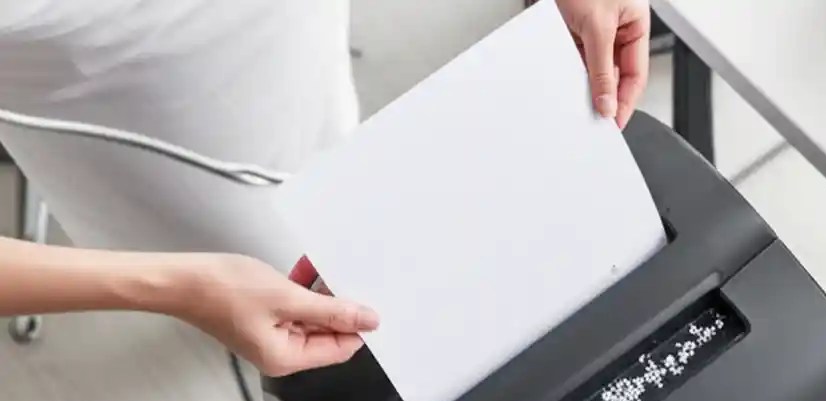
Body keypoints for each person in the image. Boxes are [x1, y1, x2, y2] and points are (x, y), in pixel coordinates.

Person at [0, 0, 651, 376]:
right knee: (294, 269)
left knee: (323, 128)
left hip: (287, 32)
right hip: (137, 112)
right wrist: (178, 289)